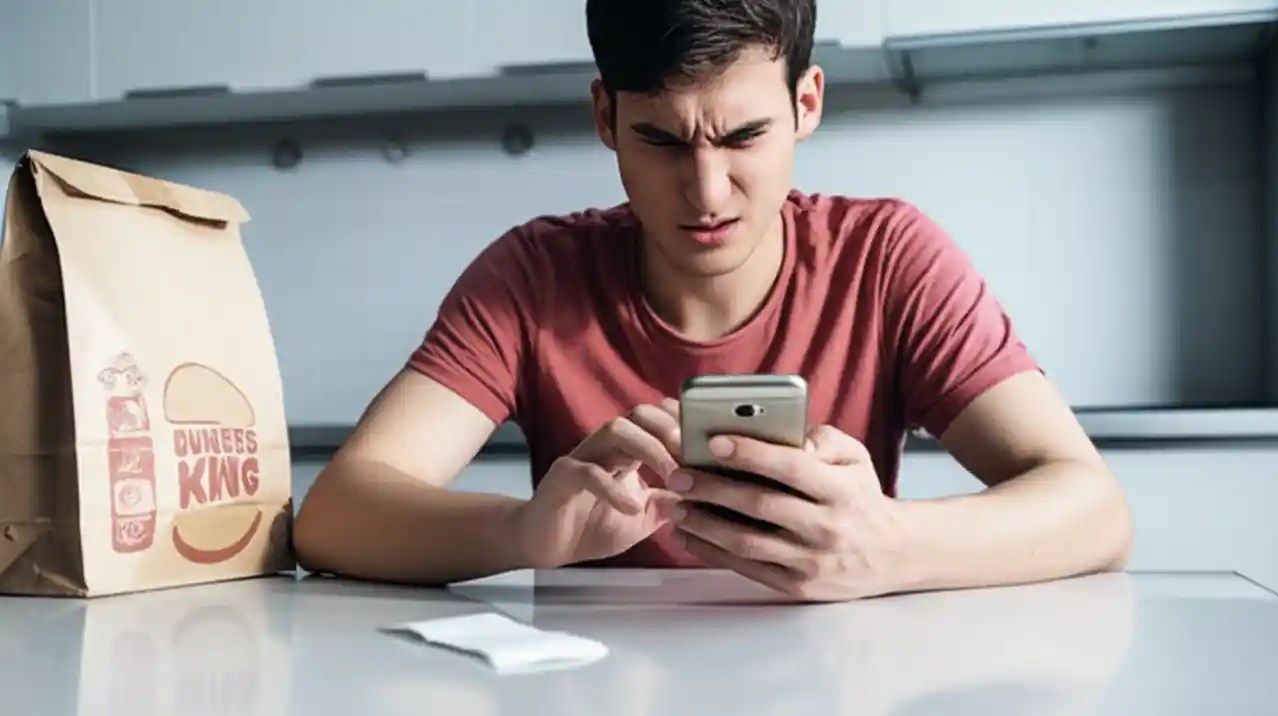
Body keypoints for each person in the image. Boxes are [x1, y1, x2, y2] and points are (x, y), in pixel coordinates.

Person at [293, 0, 1133, 602]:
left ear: (806, 104)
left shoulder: (888, 260)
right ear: (605, 117)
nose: (706, 192)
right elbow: (334, 514)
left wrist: (890, 545)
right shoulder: (531, 276)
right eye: (660, 139)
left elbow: (1096, 511)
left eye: (743, 136)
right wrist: (522, 533)